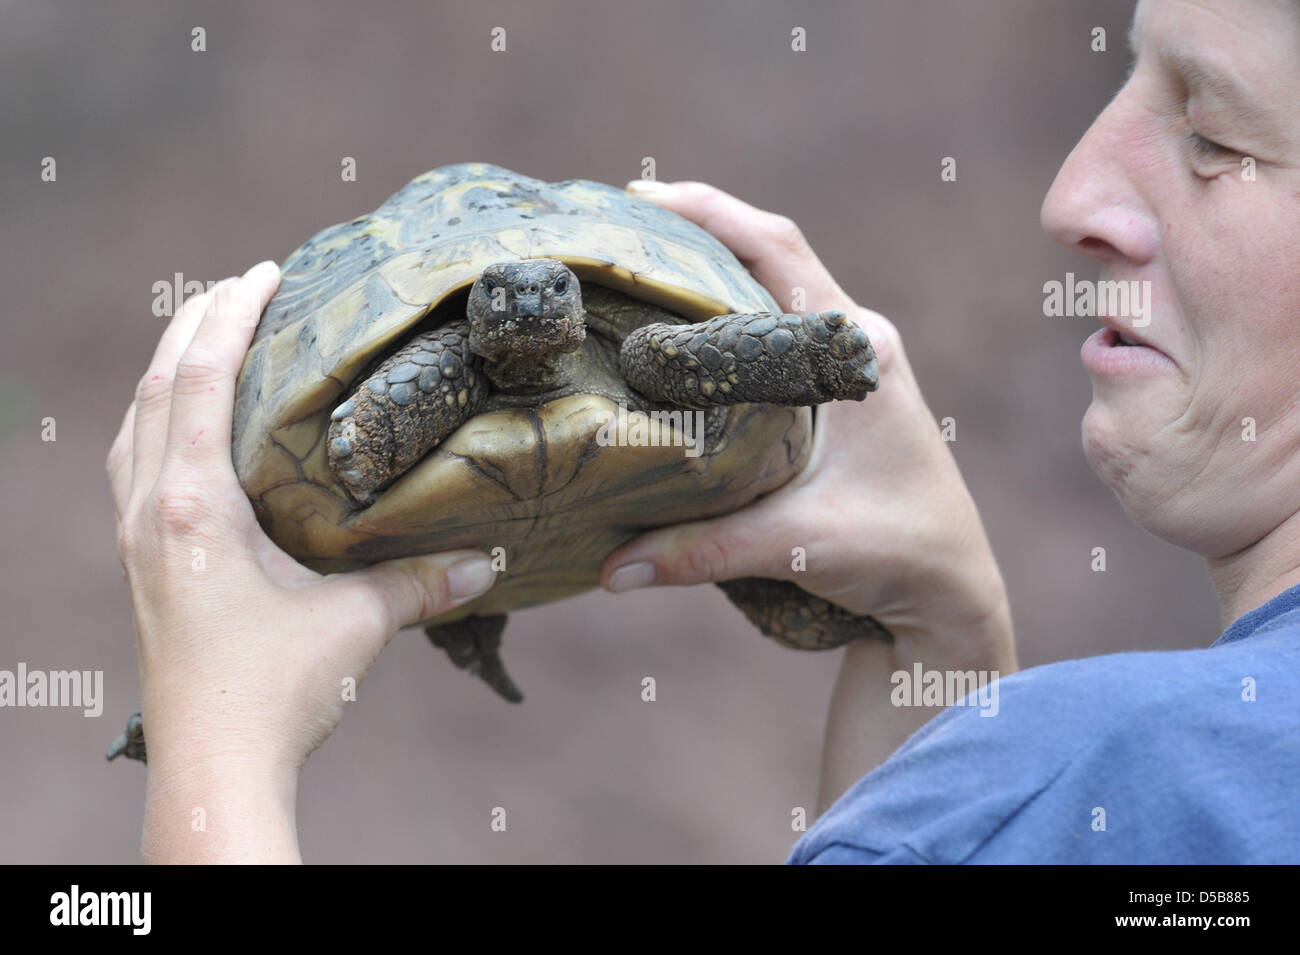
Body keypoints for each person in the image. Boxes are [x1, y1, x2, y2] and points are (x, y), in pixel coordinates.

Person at [108, 0, 1299, 863]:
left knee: (663, 358)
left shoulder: (1111, 772)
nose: (1070, 198)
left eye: (1211, 137)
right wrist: (945, 631)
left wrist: (212, 765)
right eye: (1121, 85)